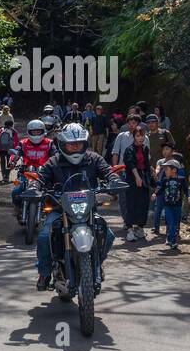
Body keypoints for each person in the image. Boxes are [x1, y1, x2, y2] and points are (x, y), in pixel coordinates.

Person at [34, 122, 115, 290]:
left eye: (78, 144)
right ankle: (45, 272)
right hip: (59, 210)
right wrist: (34, 187)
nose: (75, 147)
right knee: (43, 236)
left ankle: (97, 262)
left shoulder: (94, 159)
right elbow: (41, 178)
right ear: (62, 144)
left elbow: (107, 171)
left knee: (108, 235)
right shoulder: (53, 162)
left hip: (88, 212)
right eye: (71, 144)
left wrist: (114, 180)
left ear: (85, 143)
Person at [10, 119, 53, 221]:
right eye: (34, 132)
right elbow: (17, 152)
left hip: (44, 173)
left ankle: (50, 211)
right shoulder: (23, 143)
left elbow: (56, 154)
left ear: (43, 131)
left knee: (52, 192)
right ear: (29, 132)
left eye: (38, 131)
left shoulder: (49, 143)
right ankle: (17, 207)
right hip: (26, 172)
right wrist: (13, 161)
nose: (36, 134)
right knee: (16, 191)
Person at [120, 126, 154, 242]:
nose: (140, 138)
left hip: (144, 177)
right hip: (132, 178)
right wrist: (137, 177)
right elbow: (130, 164)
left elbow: (146, 163)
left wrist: (151, 172)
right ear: (134, 137)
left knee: (144, 203)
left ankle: (140, 227)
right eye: (138, 135)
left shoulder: (145, 148)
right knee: (131, 203)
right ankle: (129, 230)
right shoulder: (129, 149)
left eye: (142, 135)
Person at [155, 153, 188, 251]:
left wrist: (189, 196)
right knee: (171, 222)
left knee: (176, 222)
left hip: (178, 205)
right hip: (168, 205)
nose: (165, 171)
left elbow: (186, 190)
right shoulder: (165, 180)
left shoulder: (181, 180)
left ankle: (169, 238)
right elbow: (160, 189)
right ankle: (173, 241)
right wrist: (154, 194)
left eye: (166, 169)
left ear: (174, 170)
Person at [151, 142, 179, 236]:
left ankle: (172, 229)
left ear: (172, 151)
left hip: (172, 188)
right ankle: (156, 227)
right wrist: (155, 172)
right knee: (158, 208)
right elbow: (158, 169)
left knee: (171, 209)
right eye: (163, 149)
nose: (165, 151)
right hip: (160, 187)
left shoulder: (175, 162)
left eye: (167, 149)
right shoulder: (160, 161)